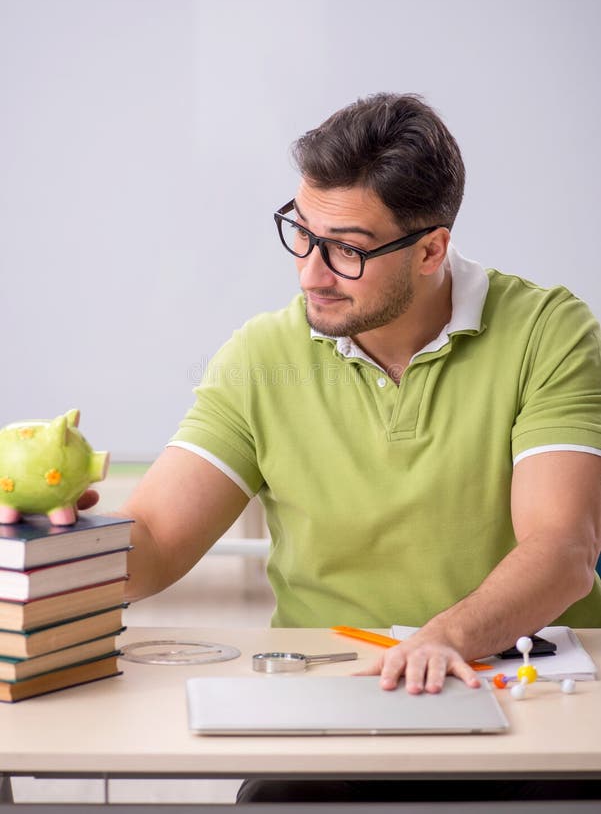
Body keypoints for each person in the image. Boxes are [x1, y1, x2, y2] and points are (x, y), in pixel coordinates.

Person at [83, 92, 601, 803]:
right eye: (301, 233)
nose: (309, 273)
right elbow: (157, 544)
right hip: (333, 697)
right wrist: (62, 538)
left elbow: (562, 550)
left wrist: (445, 638)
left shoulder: (549, 332)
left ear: (430, 249)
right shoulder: (261, 356)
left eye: (346, 250)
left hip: (530, 694)